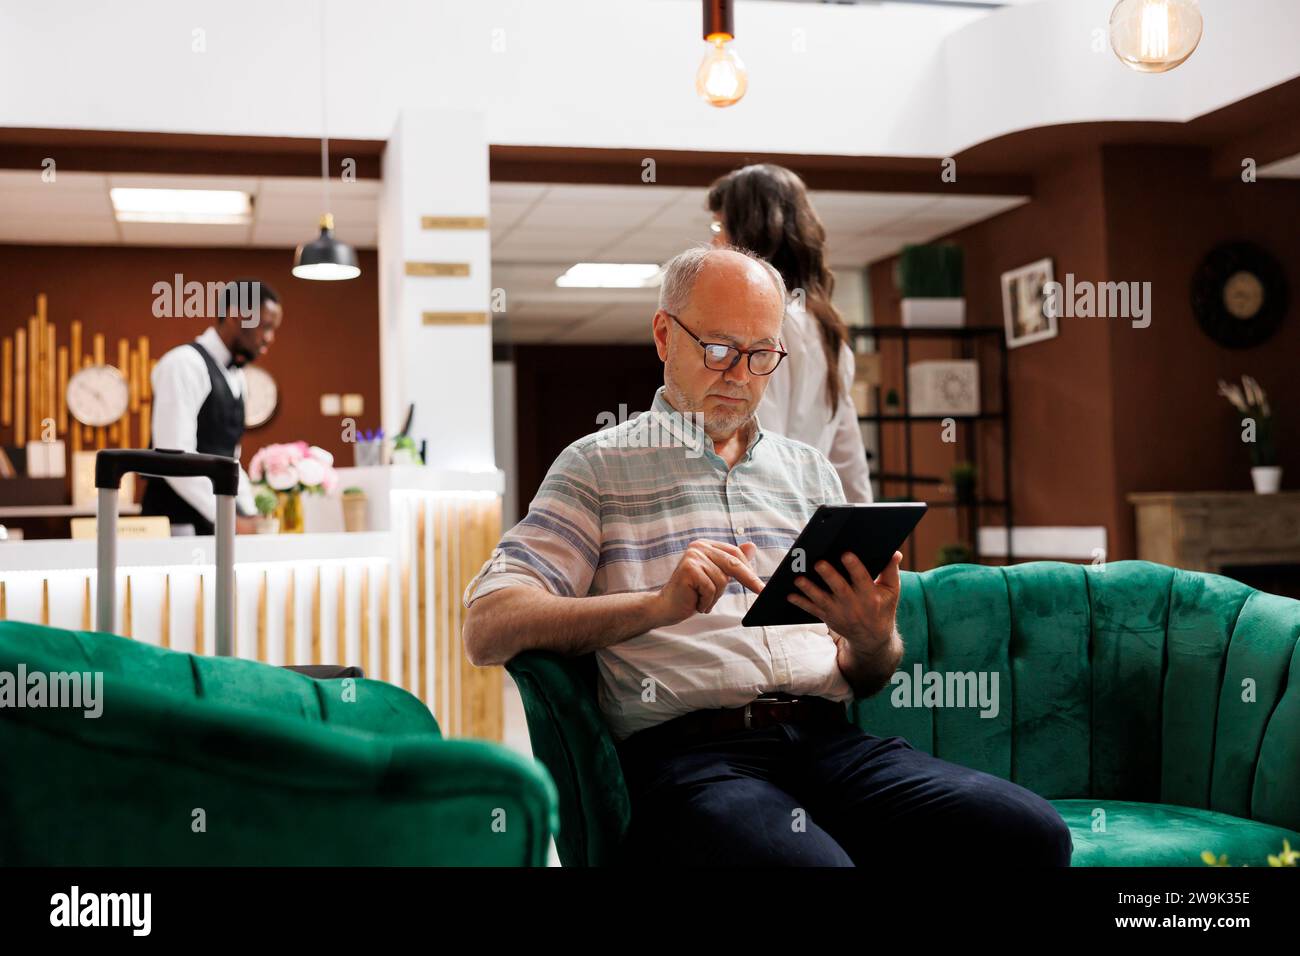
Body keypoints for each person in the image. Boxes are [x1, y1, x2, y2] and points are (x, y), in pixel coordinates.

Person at [461, 245, 1072, 867]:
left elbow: (869, 672)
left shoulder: (809, 472)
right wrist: (655, 605)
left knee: (1029, 831)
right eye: (720, 349)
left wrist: (871, 636)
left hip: (832, 744)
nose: (740, 376)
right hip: (694, 761)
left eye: (761, 355)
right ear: (664, 334)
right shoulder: (596, 466)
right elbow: (487, 624)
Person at [708, 163, 872, 502]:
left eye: (720, 225)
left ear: (748, 234)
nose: (713, 240)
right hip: (811, 523)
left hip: (762, 522)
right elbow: (849, 464)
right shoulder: (829, 333)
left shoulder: (758, 327)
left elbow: (754, 442)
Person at [140, 279, 282, 535]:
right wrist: (231, 520)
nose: (270, 338)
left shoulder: (237, 377)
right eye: (266, 326)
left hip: (218, 524)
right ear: (236, 316)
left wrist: (250, 514)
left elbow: (231, 459)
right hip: (176, 526)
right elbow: (174, 459)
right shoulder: (183, 364)